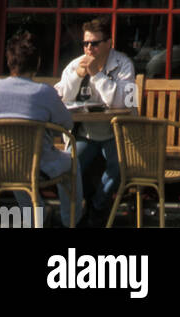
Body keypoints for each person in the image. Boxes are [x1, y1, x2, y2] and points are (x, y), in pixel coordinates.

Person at [55, 17, 136, 228]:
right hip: (86, 132)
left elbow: (124, 103)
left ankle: (98, 208)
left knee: (118, 168)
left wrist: (97, 75)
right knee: (70, 166)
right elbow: (61, 96)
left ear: (109, 43)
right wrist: (76, 76)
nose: (89, 48)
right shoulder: (76, 64)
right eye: (85, 43)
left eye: (95, 43)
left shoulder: (124, 64)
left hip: (115, 133)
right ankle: (74, 217)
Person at [0, 29, 82, 227]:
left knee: (15, 160)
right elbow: (67, 124)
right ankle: (71, 220)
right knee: (71, 162)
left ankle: (36, 217)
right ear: (37, 63)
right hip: (39, 166)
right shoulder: (44, 92)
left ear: (9, 61)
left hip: (1, 166)